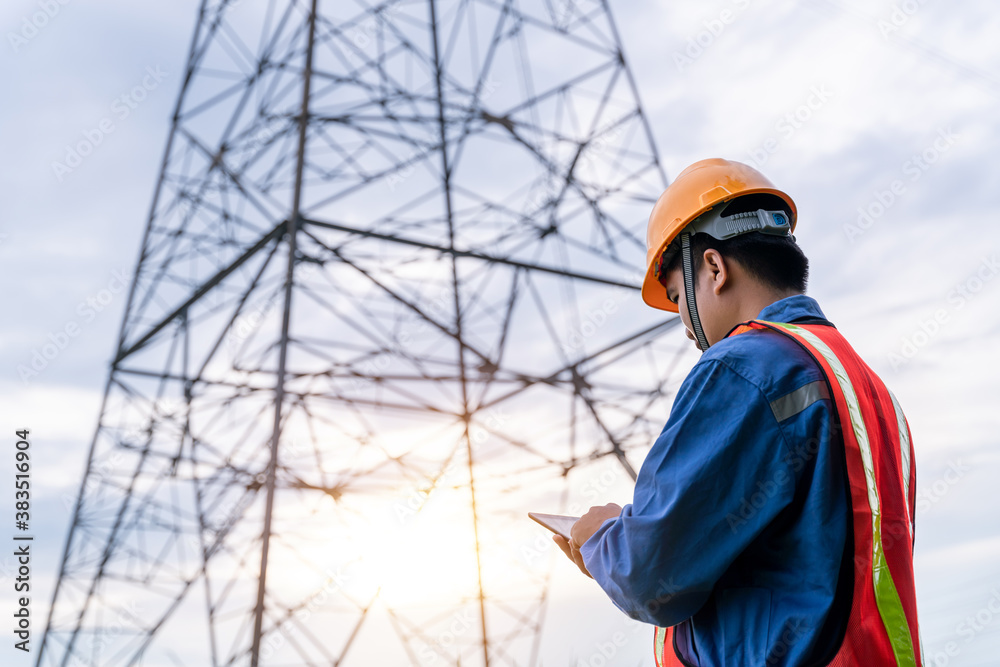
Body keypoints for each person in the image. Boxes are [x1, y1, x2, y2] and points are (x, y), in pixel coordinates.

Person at [554, 158, 922, 666]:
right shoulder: (865, 386)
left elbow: (651, 576)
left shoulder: (746, 366)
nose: (684, 323)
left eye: (681, 297)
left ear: (713, 267)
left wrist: (600, 539)